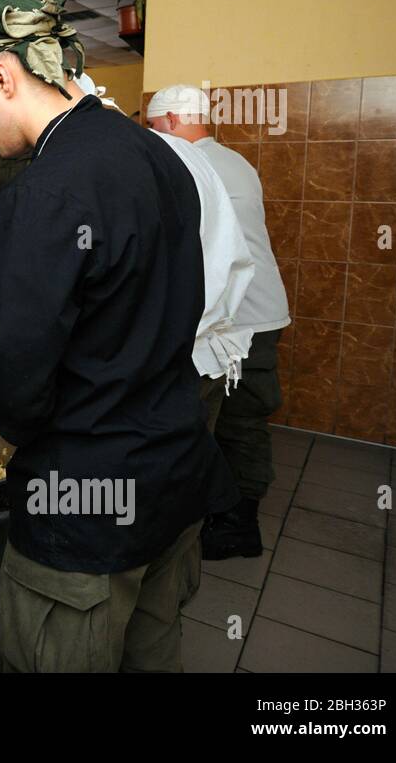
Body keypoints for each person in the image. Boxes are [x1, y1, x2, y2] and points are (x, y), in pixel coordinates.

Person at [0, 0, 238, 673]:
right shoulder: (161, 155)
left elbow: (20, 402)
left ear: (4, 76)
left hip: (86, 511)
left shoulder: (42, 193)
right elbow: (128, 305)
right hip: (173, 479)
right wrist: (19, 323)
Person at [148, 84, 290, 560]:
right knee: (244, 420)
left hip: (234, 320)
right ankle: (232, 515)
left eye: (153, 127)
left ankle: (233, 525)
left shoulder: (186, 164)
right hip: (263, 310)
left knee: (224, 421)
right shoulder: (237, 162)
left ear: (169, 120)